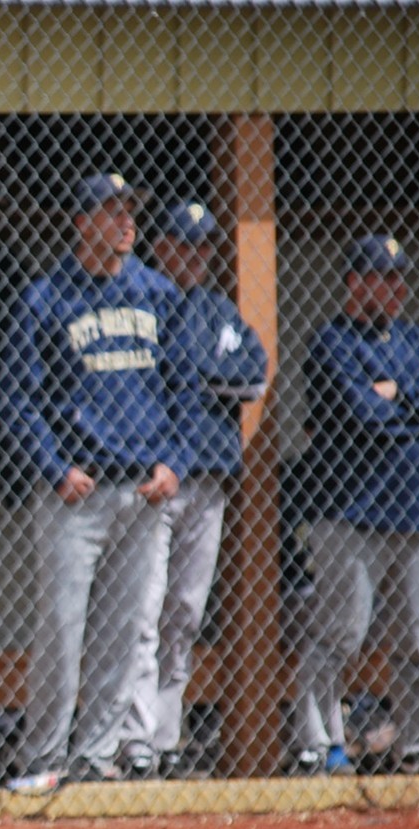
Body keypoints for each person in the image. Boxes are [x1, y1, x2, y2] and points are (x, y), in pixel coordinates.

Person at [0, 172, 190, 788]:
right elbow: (15, 398)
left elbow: (188, 389)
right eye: (112, 211)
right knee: (63, 625)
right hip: (76, 494)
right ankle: (45, 755)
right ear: (82, 222)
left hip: (142, 491)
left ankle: (97, 755)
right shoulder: (46, 298)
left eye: (130, 209)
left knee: (127, 630)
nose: (127, 221)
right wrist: (54, 469)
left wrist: (174, 462)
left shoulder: (158, 293)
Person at [289, 233, 419, 776]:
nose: (397, 288)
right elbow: (360, 413)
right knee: (339, 633)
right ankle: (319, 744)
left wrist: (401, 392)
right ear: (355, 282)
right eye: (384, 278)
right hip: (351, 513)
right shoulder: (332, 342)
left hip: (418, 514)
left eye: (400, 278)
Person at [118, 202, 268, 779]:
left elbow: (253, 375)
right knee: (144, 610)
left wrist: (190, 371)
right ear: (161, 247)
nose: (196, 256)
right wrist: (205, 372)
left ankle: (165, 735)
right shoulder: (147, 300)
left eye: (204, 246)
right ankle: (135, 742)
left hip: (207, 478)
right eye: (184, 245)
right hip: (156, 478)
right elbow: (149, 377)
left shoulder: (215, 307)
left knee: (185, 610)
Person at [281, 426, 419, 773]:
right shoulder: (296, 479)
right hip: (309, 599)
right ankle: (326, 745)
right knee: (332, 611)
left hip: (378, 603)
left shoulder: (393, 482)